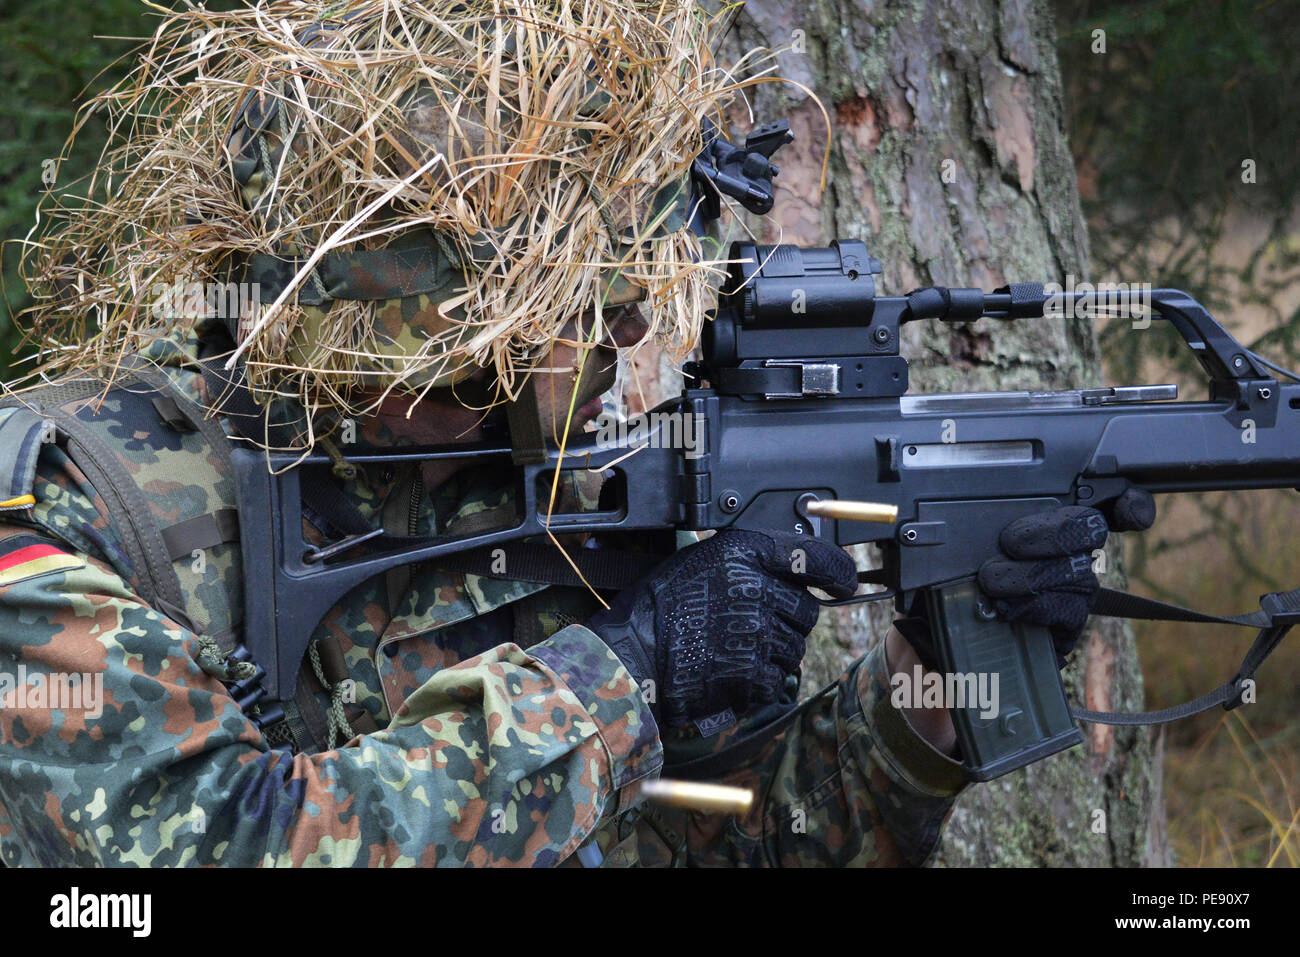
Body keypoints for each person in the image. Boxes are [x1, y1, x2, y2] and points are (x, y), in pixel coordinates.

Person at [0, 0, 1146, 867]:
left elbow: (727, 839)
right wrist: (626, 673)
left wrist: (926, 693)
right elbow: (211, 849)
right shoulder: (67, 510)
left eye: (601, 326)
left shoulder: (554, 507)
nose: (590, 367)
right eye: (480, 366)